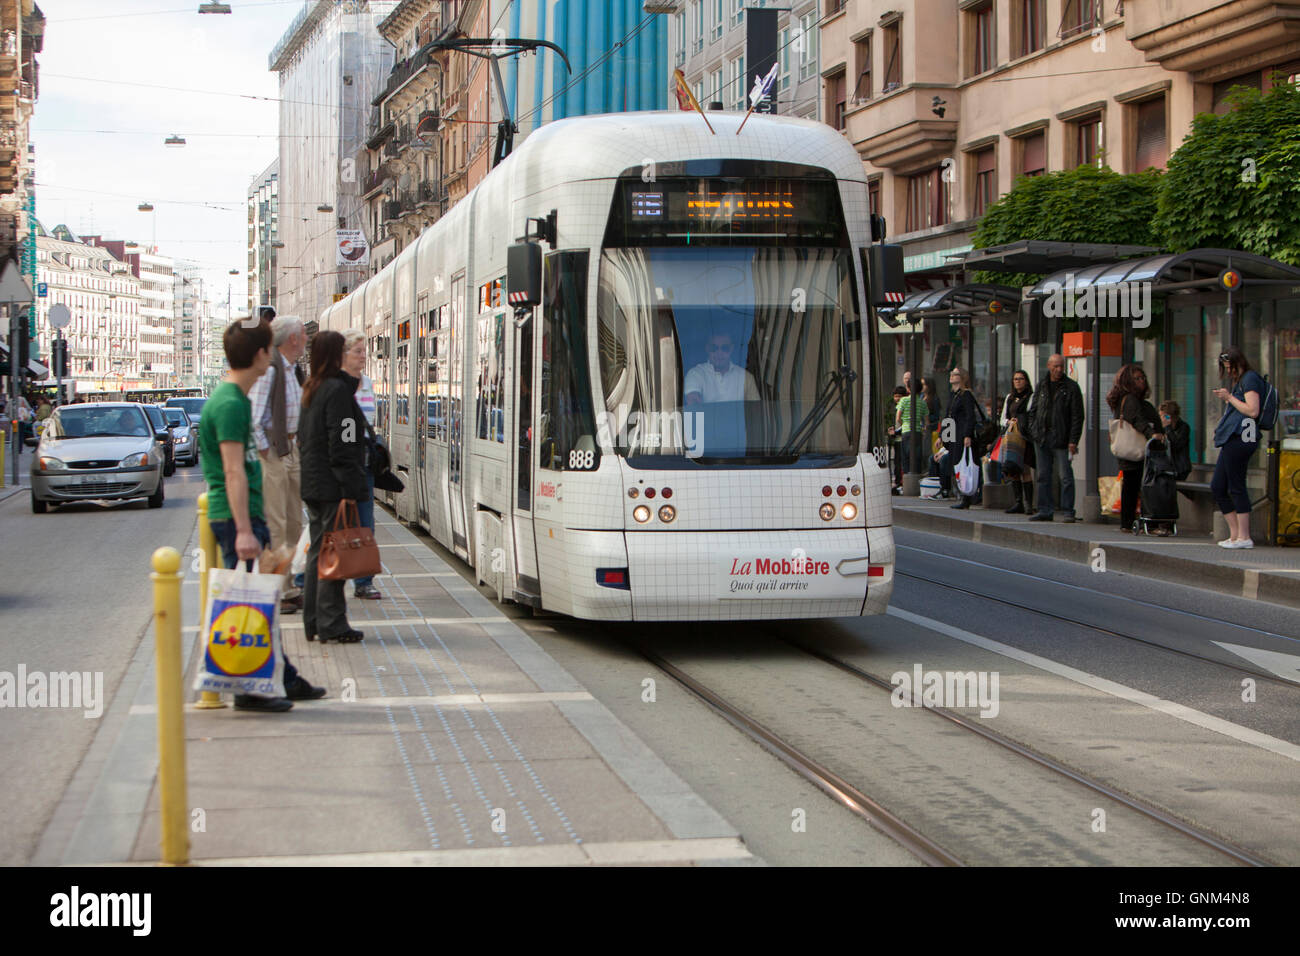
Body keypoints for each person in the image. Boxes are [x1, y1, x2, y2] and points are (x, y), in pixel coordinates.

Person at [199, 317, 326, 712]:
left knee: (257, 602)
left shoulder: (229, 398)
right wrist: (244, 530)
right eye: (268, 349)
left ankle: (282, 679)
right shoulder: (232, 404)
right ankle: (254, 689)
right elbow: (233, 470)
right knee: (249, 604)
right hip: (237, 516)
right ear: (259, 354)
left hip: (240, 514)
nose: (271, 356)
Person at [298, 330, 369, 643]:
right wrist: (352, 484)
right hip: (333, 487)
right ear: (334, 356)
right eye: (344, 350)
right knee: (334, 554)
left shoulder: (312, 388)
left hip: (314, 483)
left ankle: (314, 619)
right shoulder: (337, 391)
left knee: (318, 552)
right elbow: (346, 439)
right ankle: (332, 622)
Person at [248, 312, 308, 614]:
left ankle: (288, 587)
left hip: (291, 446)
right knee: (276, 523)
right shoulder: (271, 369)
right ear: (293, 339)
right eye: (303, 335)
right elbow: (254, 419)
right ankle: (274, 591)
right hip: (274, 449)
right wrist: (265, 454)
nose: (307, 340)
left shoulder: (293, 369)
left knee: (294, 522)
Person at [1211, 346, 1265, 549]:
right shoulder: (1241, 381)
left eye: (1229, 367)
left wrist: (1229, 398)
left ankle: (1244, 536)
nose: (1228, 372)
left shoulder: (1250, 379)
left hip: (1241, 439)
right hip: (1234, 438)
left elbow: (1252, 410)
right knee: (1218, 486)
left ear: (1238, 363)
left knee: (1236, 486)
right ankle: (1235, 535)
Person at [342, 328, 382, 600]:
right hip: (345, 465)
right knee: (337, 524)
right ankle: (309, 574)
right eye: (357, 352)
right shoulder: (339, 385)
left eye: (364, 351)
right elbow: (343, 430)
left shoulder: (367, 384)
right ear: (344, 355)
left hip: (365, 465)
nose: (363, 356)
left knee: (366, 524)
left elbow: (372, 423)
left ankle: (364, 581)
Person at [1026, 353, 1084, 522]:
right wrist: (1034, 431)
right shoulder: (1042, 385)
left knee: (1065, 475)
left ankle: (1068, 510)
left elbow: (1077, 416)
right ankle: (1045, 509)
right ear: (1048, 366)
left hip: (1062, 437)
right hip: (1042, 437)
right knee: (1043, 475)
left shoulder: (1071, 387)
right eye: (1055, 366)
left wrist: (1073, 440)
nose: (1059, 369)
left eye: (1061, 366)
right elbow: (1033, 410)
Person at [1106, 364, 1162, 533]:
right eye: (1137, 379)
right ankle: (1133, 522)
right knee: (1135, 486)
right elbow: (1137, 420)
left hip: (1134, 451)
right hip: (1134, 450)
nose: (1142, 381)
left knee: (1132, 486)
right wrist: (1152, 434)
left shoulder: (1137, 401)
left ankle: (1129, 522)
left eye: (1143, 378)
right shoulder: (1129, 399)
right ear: (1128, 381)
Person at [683, 331, 760, 405]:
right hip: (706, 419)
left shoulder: (746, 377)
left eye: (725, 348)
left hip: (740, 419)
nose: (719, 353)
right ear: (707, 348)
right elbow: (693, 407)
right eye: (714, 348)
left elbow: (755, 412)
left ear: (732, 349)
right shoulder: (696, 374)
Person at [1000, 369, 1036, 514]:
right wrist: (1009, 422)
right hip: (1011, 437)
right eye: (1015, 379)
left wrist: (1020, 421)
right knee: (1013, 469)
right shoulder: (1009, 397)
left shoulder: (1031, 397)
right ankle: (1018, 502)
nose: (1018, 381)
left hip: (1025, 436)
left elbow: (1031, 415)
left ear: (1026, 381)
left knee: (1025, 469)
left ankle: (1028, 504)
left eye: (1020, 379)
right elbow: (1002, 418)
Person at [943, 367, 979, 509]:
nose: (951, 376)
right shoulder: (953, 394)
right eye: (951, 373)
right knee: (955, 463)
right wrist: (943, 436)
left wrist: (967, 435)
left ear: (962, 377)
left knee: (963, 464)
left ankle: (966, 496)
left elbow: (970, 416)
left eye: (955, 374)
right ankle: (961, 492)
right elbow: (948, 415)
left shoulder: (966, 395)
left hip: (962, 433)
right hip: (953, 433)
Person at [895, 377, 929, 480]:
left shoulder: (904, 400)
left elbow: (898, 418)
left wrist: (903, 424)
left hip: (906, 431)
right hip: (918, 432)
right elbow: (927, 422)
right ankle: (917, 480)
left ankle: (906, 480)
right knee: (917, 457)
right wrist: (923, 430)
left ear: (908, 389)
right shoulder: (922, 402)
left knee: (905, 457)